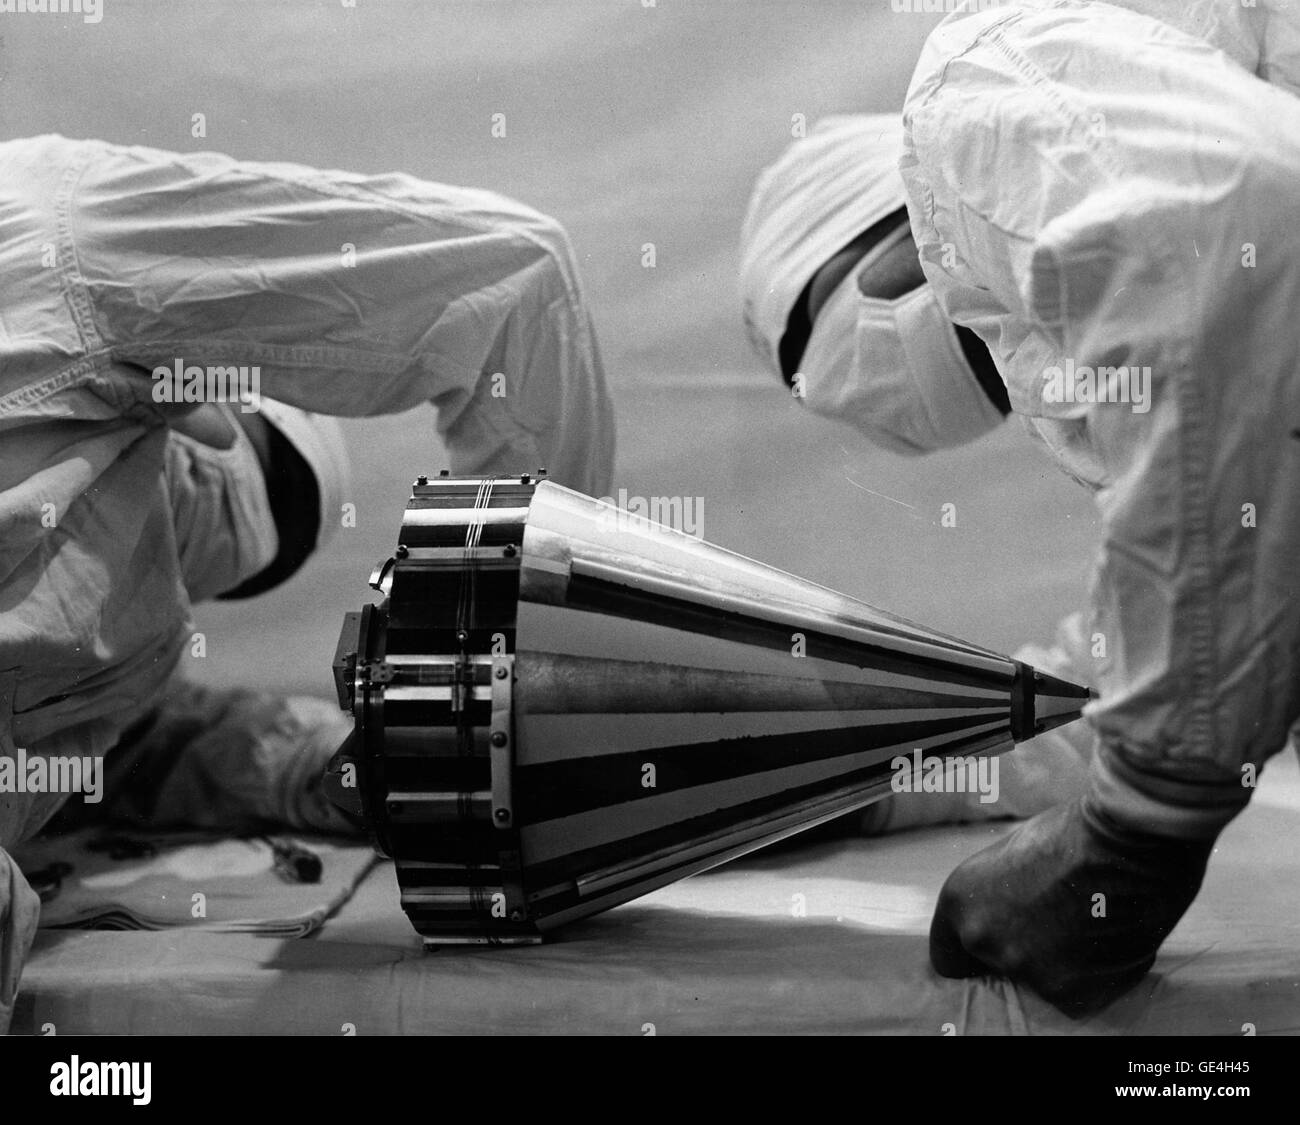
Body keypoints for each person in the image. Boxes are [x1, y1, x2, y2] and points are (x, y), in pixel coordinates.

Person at [739, 0, 1300, 1015]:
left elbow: (1234, 215)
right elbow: (1121, 677)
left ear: (904, 242)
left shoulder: (981, 81)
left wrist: (1139, 832)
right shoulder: (1189, 355)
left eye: (995, 351)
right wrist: (832, 779)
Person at [0, 133, 616, 1032]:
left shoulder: (74, 628)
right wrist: (559, 696)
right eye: (271, 494)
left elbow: (137, 750)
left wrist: (371, 767)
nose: (207, 566)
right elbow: (517, 277)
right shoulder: (52, 244)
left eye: (264, 562)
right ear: (192, 405)